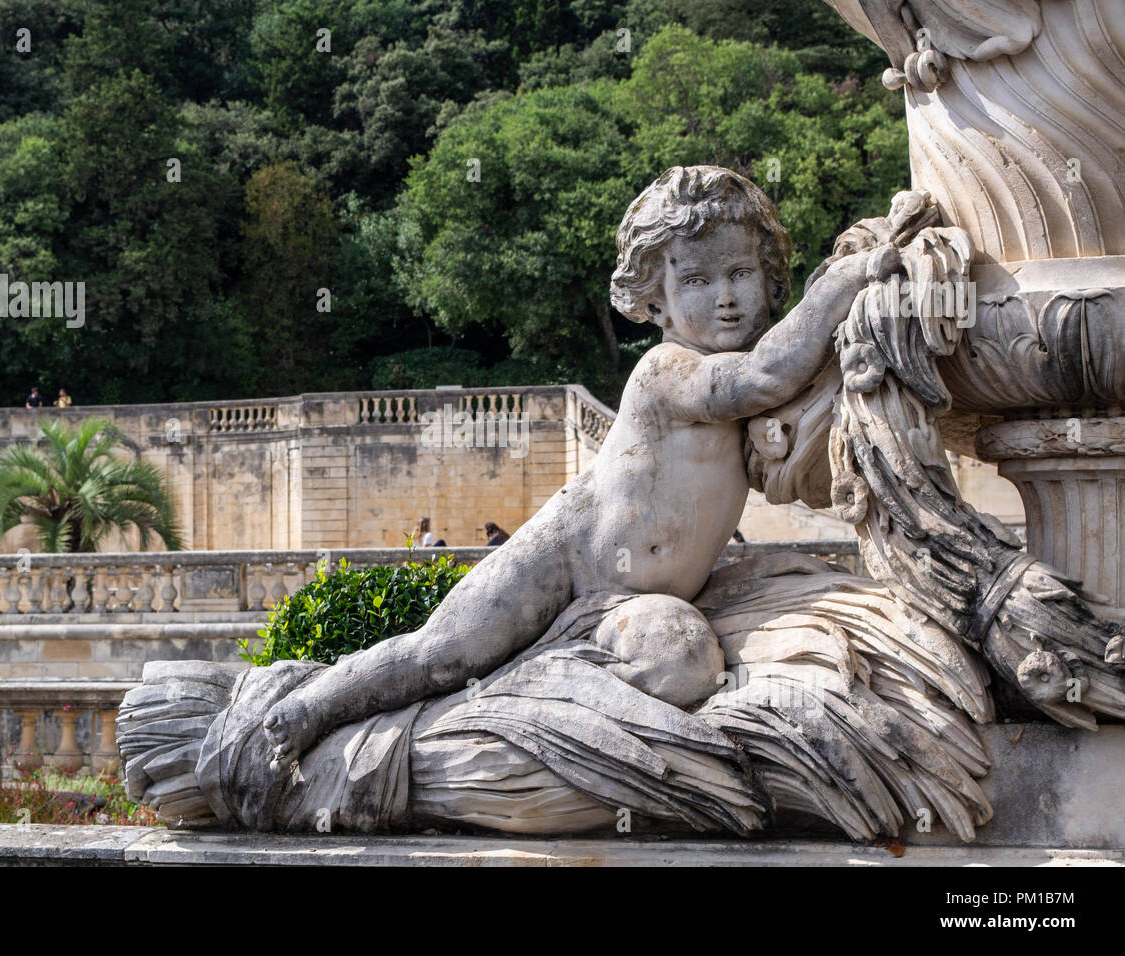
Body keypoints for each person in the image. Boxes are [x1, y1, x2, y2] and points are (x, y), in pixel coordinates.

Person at [262, 165, 897, 771]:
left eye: (741, 273)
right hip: (567, 554)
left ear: (768, 279)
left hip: (638, 599)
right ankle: (315, 705)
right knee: (442, 653)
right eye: (698, 281)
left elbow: (798, 394)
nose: (727, 299)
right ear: (658, 303)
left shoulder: (753, 372)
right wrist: (849, 280)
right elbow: (764, 375)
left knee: (684, 663)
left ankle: (556, 704)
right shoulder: (666, 371)